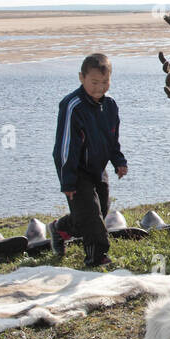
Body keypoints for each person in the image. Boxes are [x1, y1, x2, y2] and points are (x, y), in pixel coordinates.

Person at [51, 54, 128, 266]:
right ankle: (96, 258)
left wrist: (119, 161)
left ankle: (60, 229)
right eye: (94, 82)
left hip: (98, 168)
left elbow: (112, 139)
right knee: (91, 217)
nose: (99, 87)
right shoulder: (72, 106)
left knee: (97, 212)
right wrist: (68, 181)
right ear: (81, 78)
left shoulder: (110, 105)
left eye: (105, 82)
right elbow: (65, 147)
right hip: (75, 170)